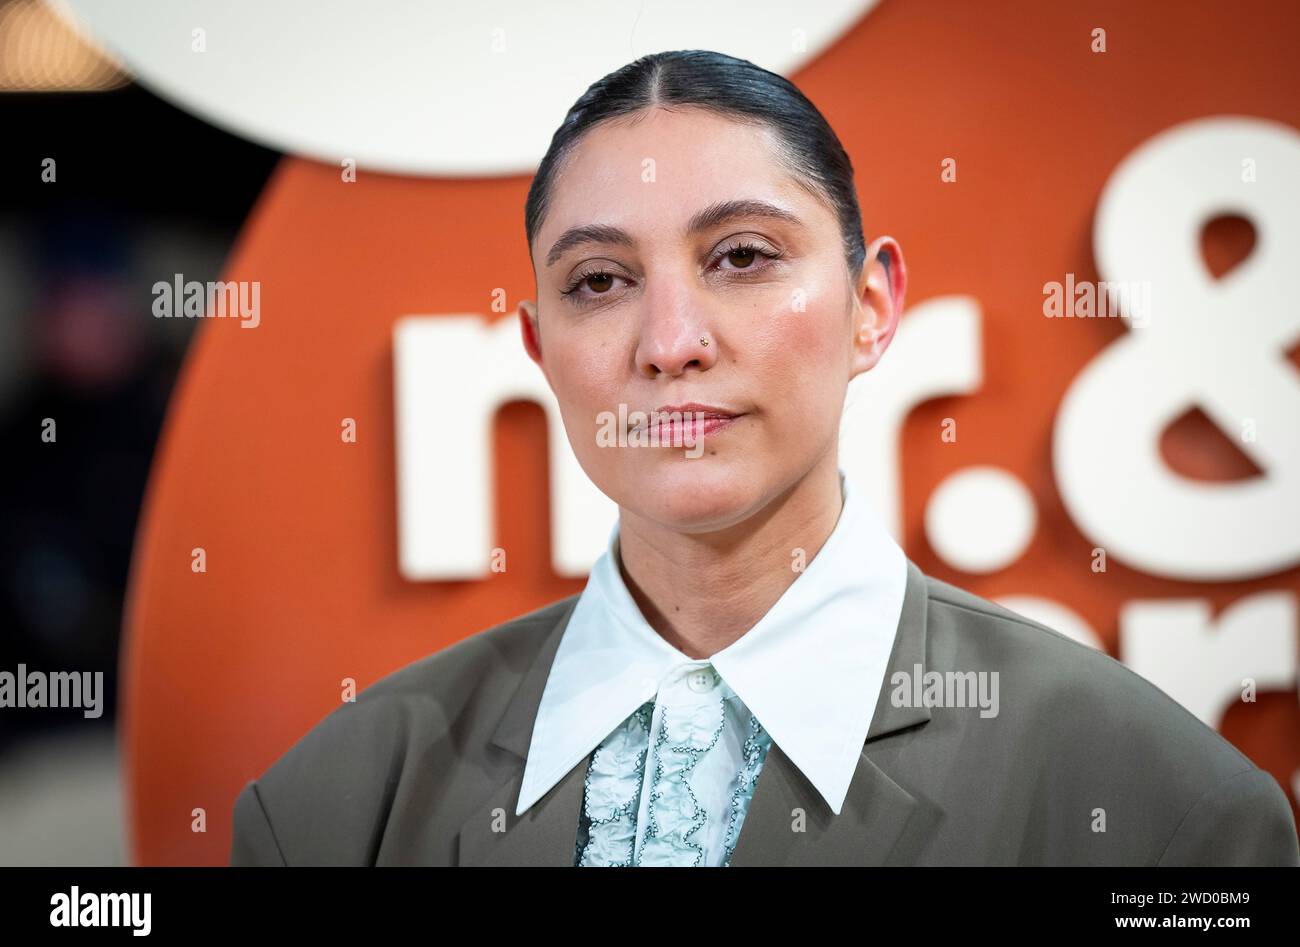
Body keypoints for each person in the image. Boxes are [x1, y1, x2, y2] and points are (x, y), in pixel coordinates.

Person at [230, 49, 1299, 866]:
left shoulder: (1159, 808)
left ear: (872, 307)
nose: (669, 342)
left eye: (742, 257)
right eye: (599, 280)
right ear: (538, 351)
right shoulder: (336, 806)